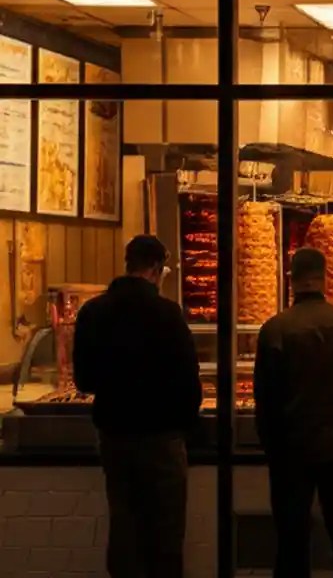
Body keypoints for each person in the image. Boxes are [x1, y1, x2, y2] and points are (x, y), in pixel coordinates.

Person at [74, 235, 201, 578]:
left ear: (128, 264)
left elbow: (84, 380)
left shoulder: (93, 312)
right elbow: (189, 382)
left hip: (115, 437)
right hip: (163, 438)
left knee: (125, 530)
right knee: (166, 534)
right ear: (157, 269)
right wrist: (186, 425)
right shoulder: (168, 314)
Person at [255, 247, 333, 578]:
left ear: (291, 280)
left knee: (291, 543)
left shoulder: (275, 329)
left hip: (290, 451)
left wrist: (270, 446)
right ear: (325, 278)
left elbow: (264, 397)